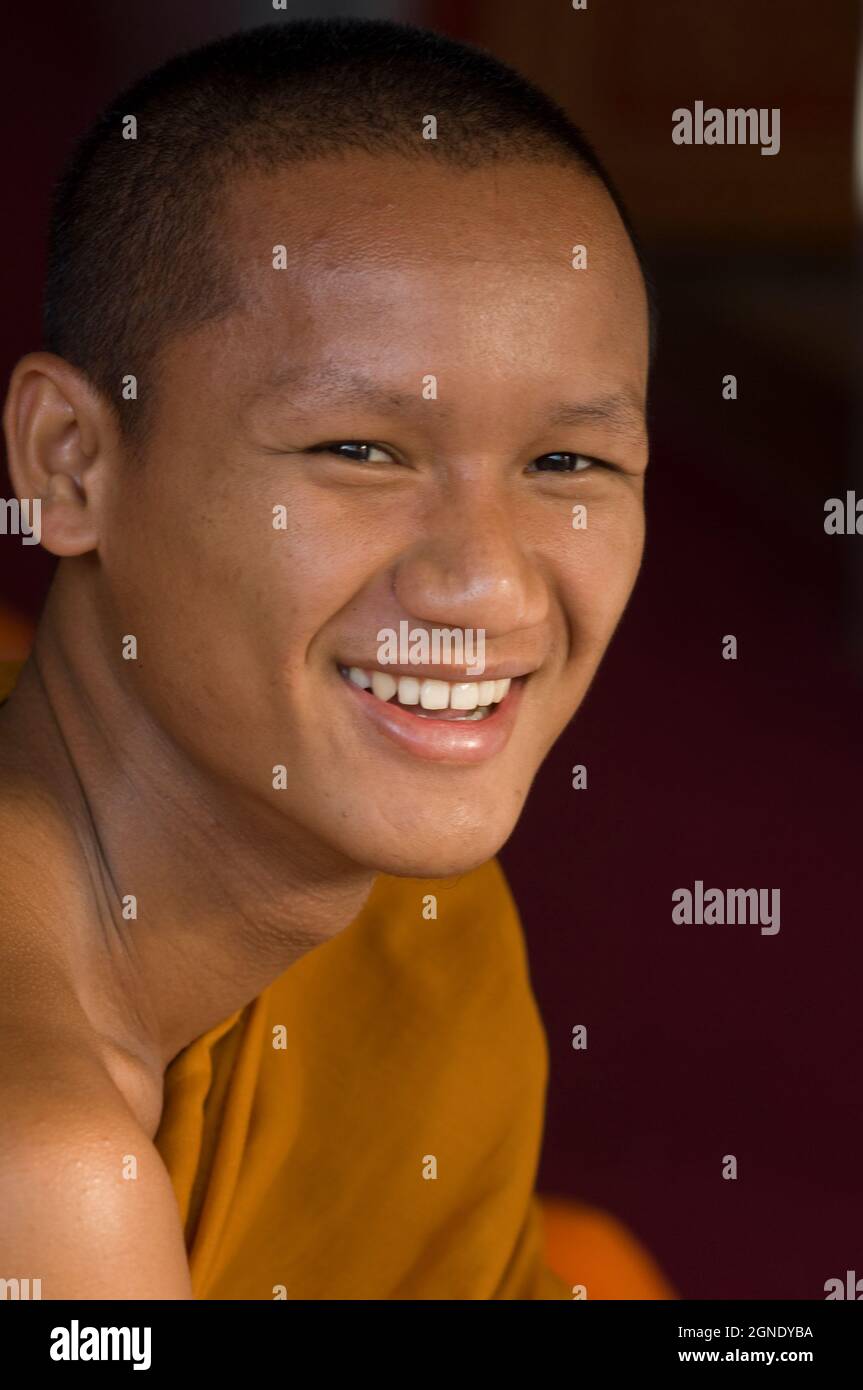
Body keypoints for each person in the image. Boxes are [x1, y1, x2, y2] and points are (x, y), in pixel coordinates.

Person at [0, 17, 671, 1299]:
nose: (485, 582)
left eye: (565, 463)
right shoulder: (48, 1175)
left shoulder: (417, 916)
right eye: (358, 451)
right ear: (70, 463)